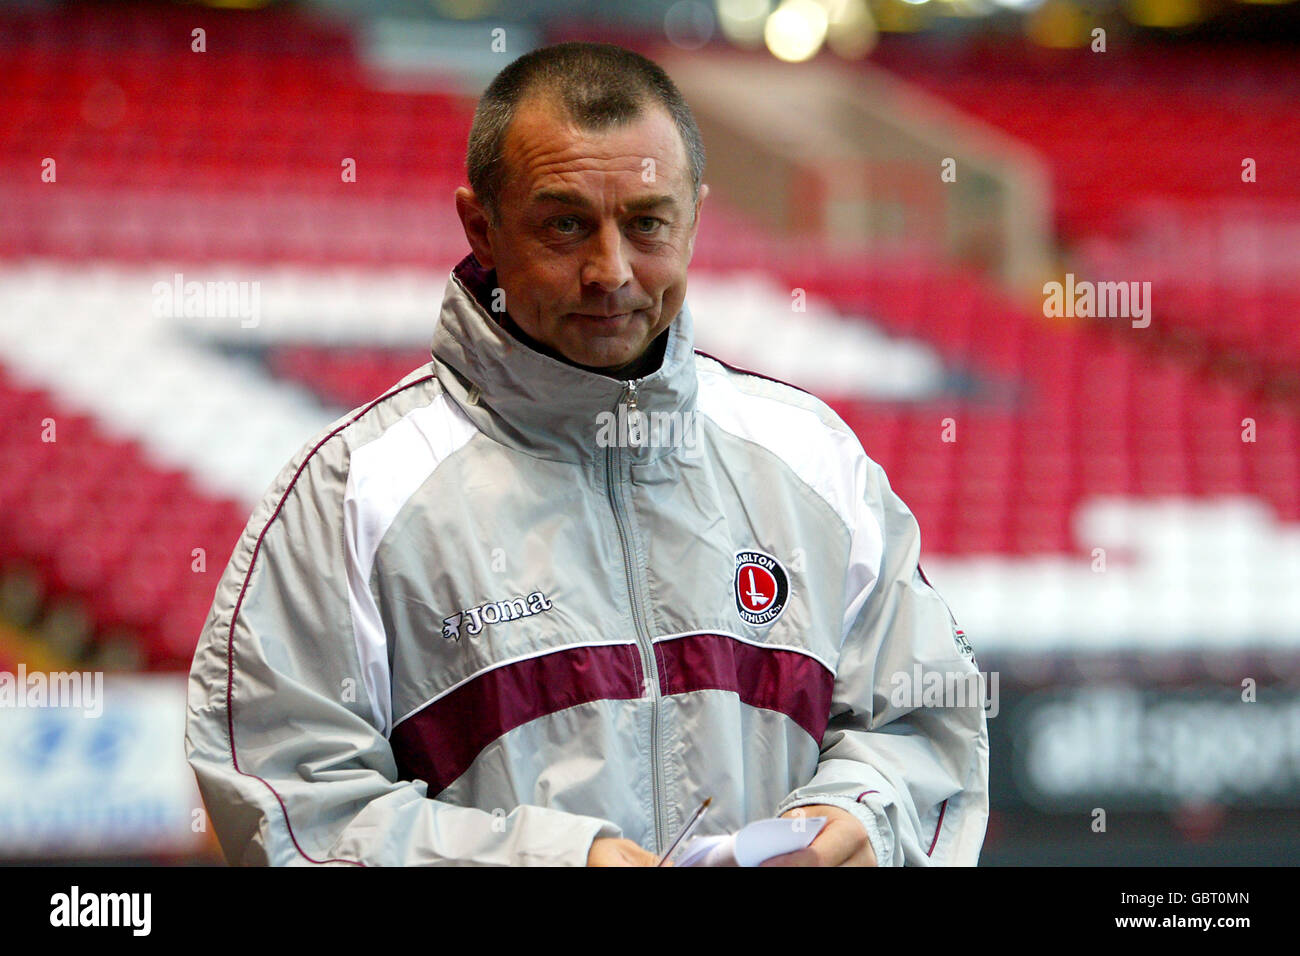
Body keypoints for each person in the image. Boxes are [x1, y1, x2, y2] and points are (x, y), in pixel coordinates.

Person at [185, 41, 989, 867]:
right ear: (482, 228)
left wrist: (854, 821)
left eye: (647, 224)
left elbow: (924, 725)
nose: (610, 272)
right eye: (565, 224)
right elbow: (292, 809)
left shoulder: (815, 463)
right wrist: (558, 862)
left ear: (695, 217)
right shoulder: (351, 495)